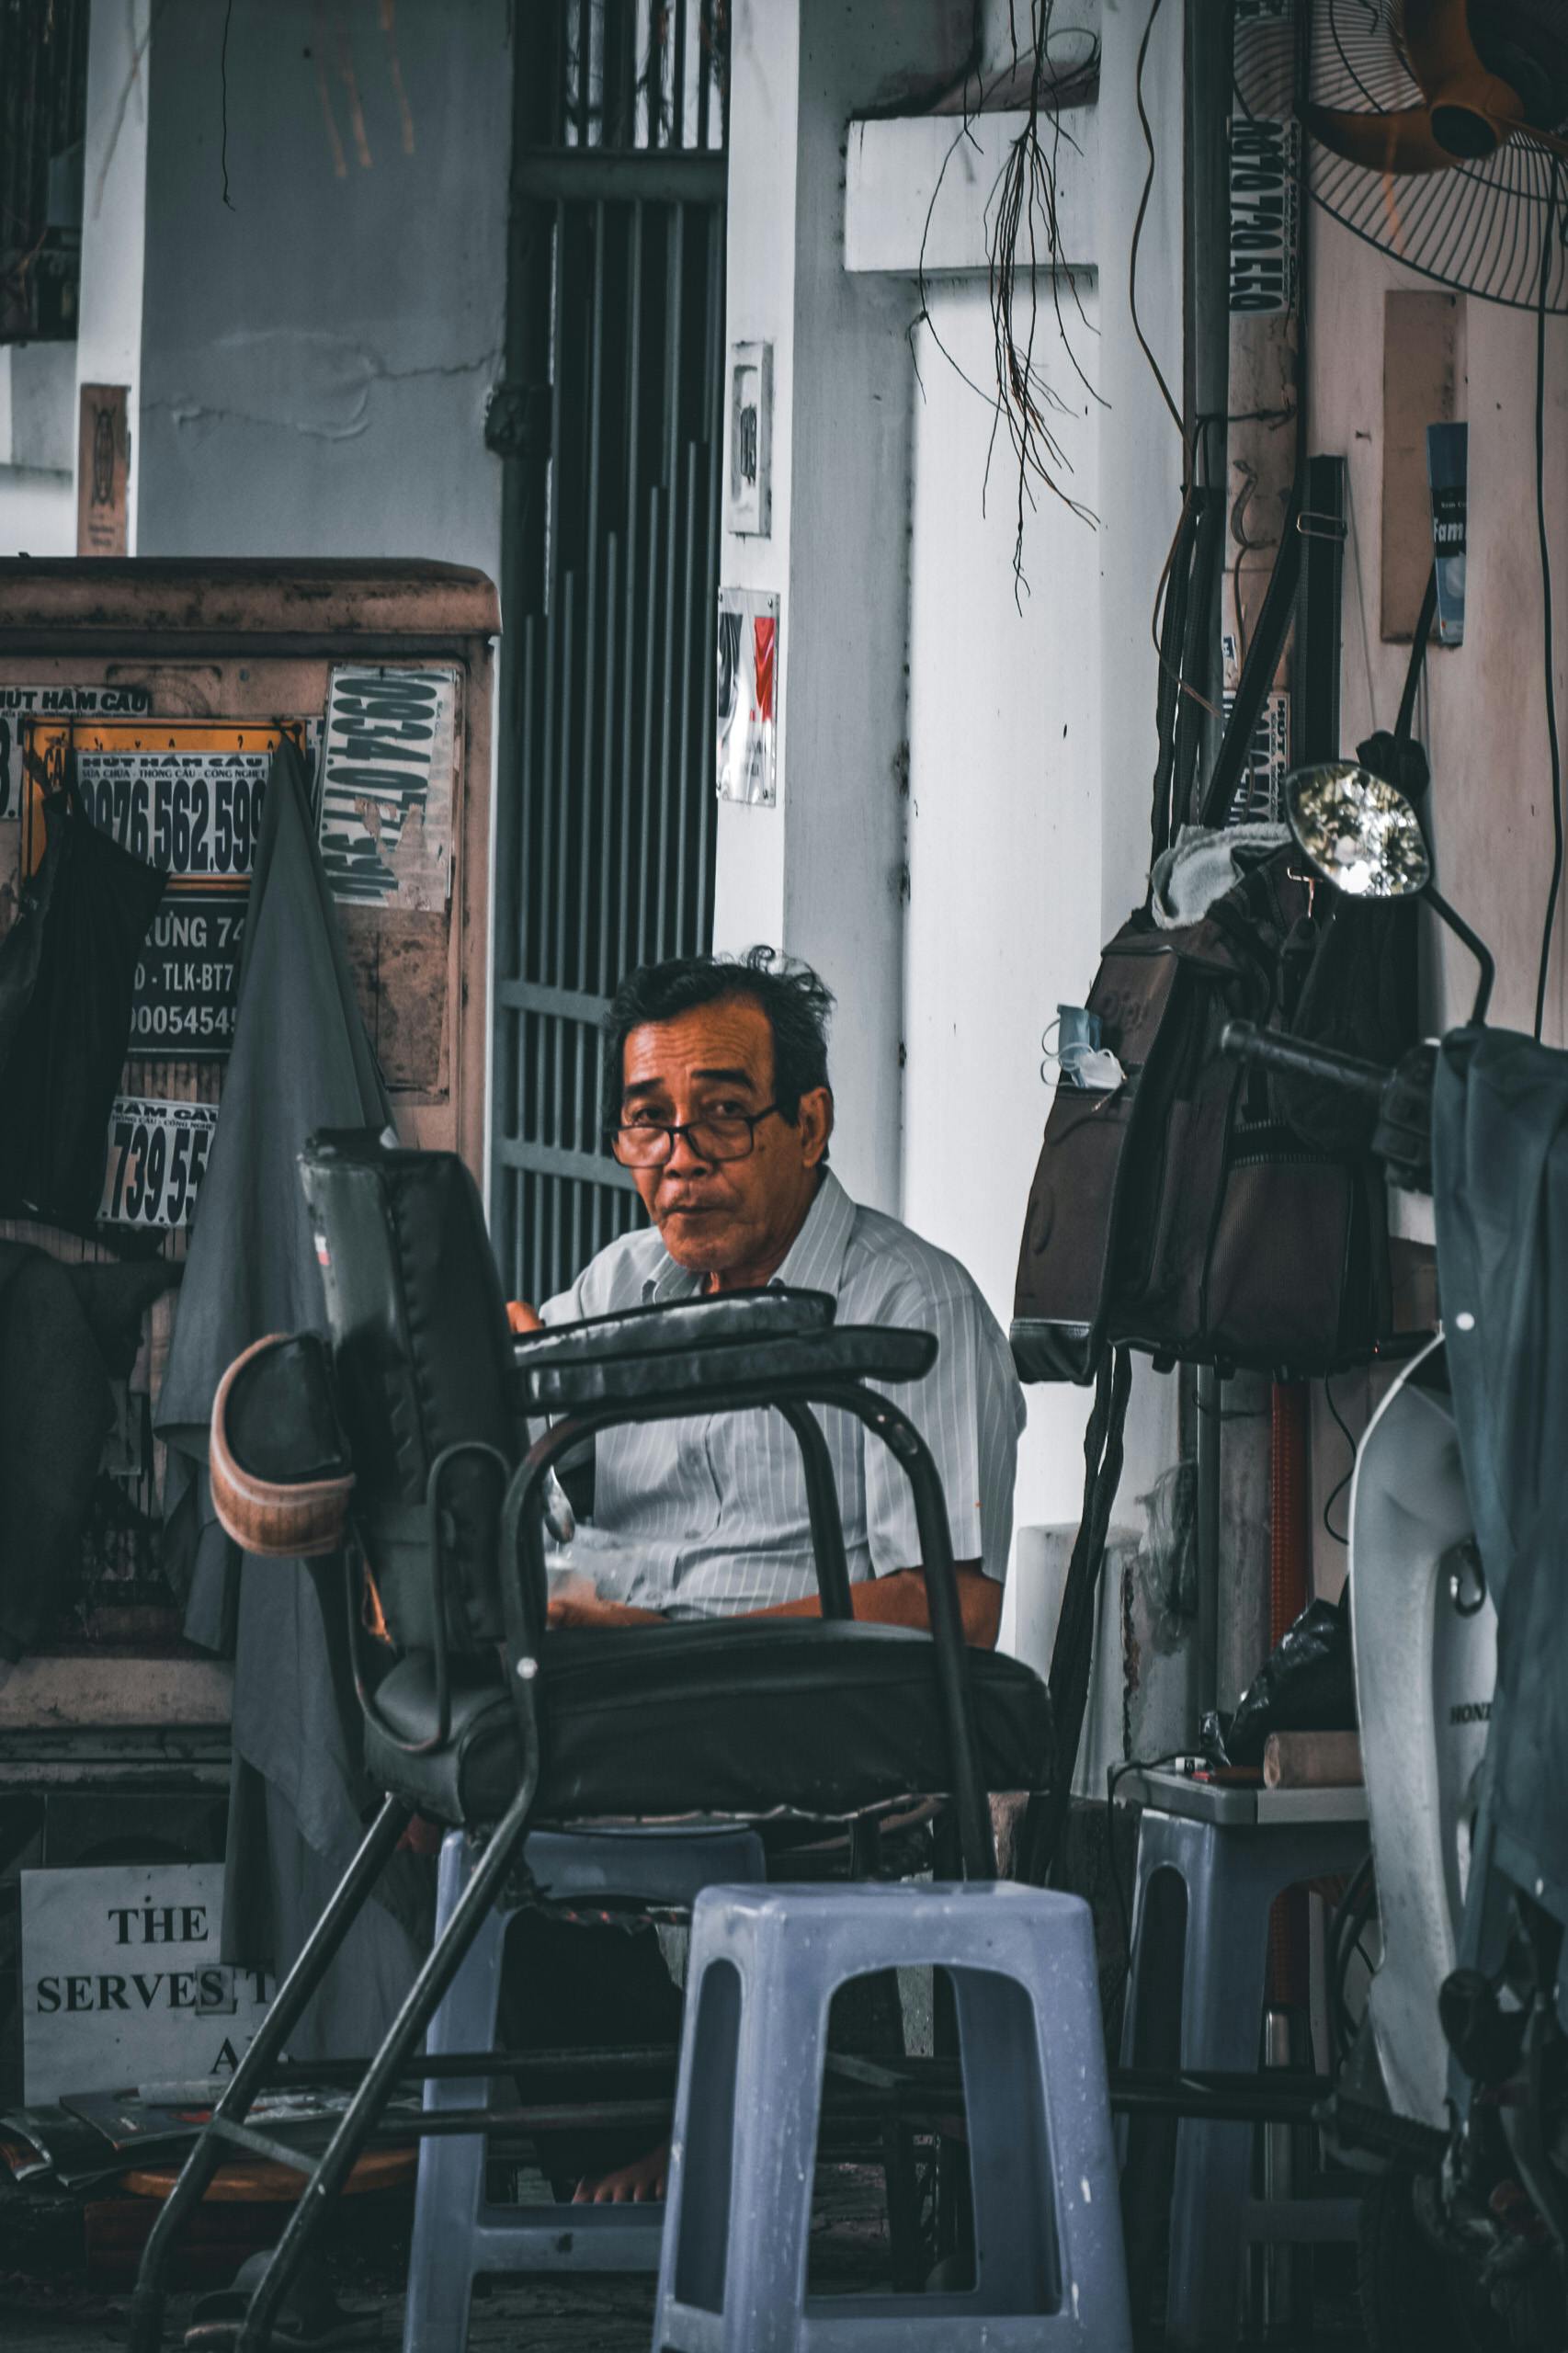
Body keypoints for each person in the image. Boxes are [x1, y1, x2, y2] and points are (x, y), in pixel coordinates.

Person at [508, 946, 1025, 2200]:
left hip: (791, 1711)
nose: (681, 1156)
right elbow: (532, 1481)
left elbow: (955, 1608)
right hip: (624, 1687)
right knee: (445, 1734)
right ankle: (622, 2105)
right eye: (649, 1121)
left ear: (810, 1123)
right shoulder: (622, 1285)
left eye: (725, 1115)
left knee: (506, 1761)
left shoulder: (910, 1304)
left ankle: (642, 2120)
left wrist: (668, 1644)